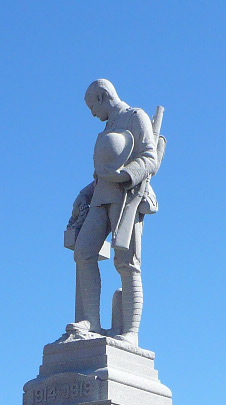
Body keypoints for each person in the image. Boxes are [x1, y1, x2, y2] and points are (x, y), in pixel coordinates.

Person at [64, 79, 163, 345]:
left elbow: (150, 158)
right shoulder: (109, 126)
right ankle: (91, 322)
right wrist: (84, 193)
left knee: (127, 263)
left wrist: (127, 174)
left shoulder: (135, 116)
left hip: (128, 196)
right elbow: (100, 175)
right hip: (100, 197)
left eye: (92, 106)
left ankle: (130, 332)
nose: (92, 113)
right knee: (84, 252)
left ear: (102, 96)